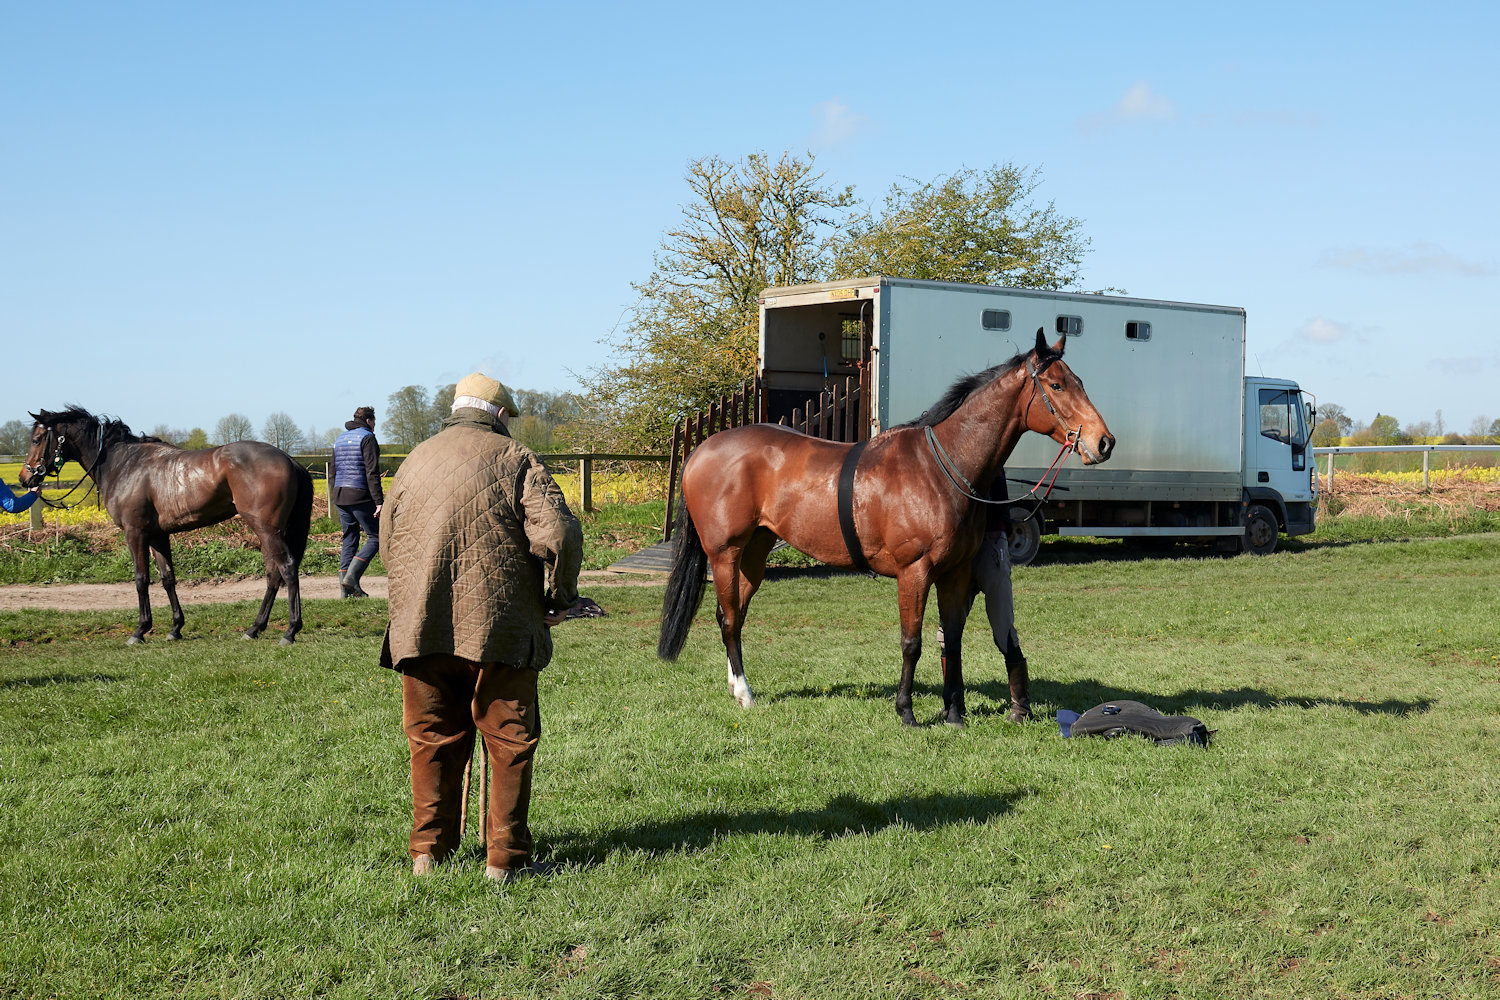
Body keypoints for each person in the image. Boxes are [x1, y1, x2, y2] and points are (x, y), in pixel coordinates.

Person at [379, 373, 582, 881]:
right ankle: (505, 863)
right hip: (501, 630)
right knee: (509, 740)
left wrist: (413, 598)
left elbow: (388, 540)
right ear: (500, 414)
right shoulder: (517, 459)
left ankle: (428, 855)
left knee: (431, 737)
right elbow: (558, 533)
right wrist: (560, 598)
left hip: (420, 626)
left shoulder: (414, 460)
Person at [936, 475, 1032, 721]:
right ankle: (953, 704)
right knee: (947, 633)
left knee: (1004, 630)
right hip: (960, 549)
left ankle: (1021, 709)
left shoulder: (992, 464)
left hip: (990, 543)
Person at [330, 405, 384, 598]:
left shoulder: (339, 439)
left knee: (349, 538)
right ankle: (352, 578)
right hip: (359, 494)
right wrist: (378, 501)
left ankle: (346, 592)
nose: (375, 425)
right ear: (369, 420)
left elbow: (332, 471)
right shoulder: (367, 437)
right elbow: (372, 472)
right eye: (374, 422)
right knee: (376, 537)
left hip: (340, 494)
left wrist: (335, 494)